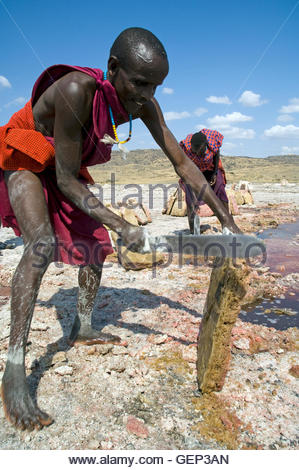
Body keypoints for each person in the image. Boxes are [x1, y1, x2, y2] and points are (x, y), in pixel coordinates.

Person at [0, 27, 241, 431]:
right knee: (41, 244)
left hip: (64, 166)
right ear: (113, 68)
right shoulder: (75, 90)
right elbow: (64, 180)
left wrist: (226, 219)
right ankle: (14, 368)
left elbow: (183, 163)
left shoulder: (145, 104)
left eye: (156, 86)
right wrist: (122, 224)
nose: (147, 94)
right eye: (141, 82)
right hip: (28, 155)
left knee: (95, 244)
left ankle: (82, 326)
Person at [179, 130, 229, 233]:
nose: (197, 153)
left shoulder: (212, 143)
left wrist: (214, 174)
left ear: (205, 145)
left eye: (199, 151)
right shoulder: (186, 147)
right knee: (190, 197)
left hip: (211, 169)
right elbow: (181, 165)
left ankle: (227, 224)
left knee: (220, 189)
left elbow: (216, 156)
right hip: (194, 171)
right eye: (194, 150)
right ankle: (194, 230)